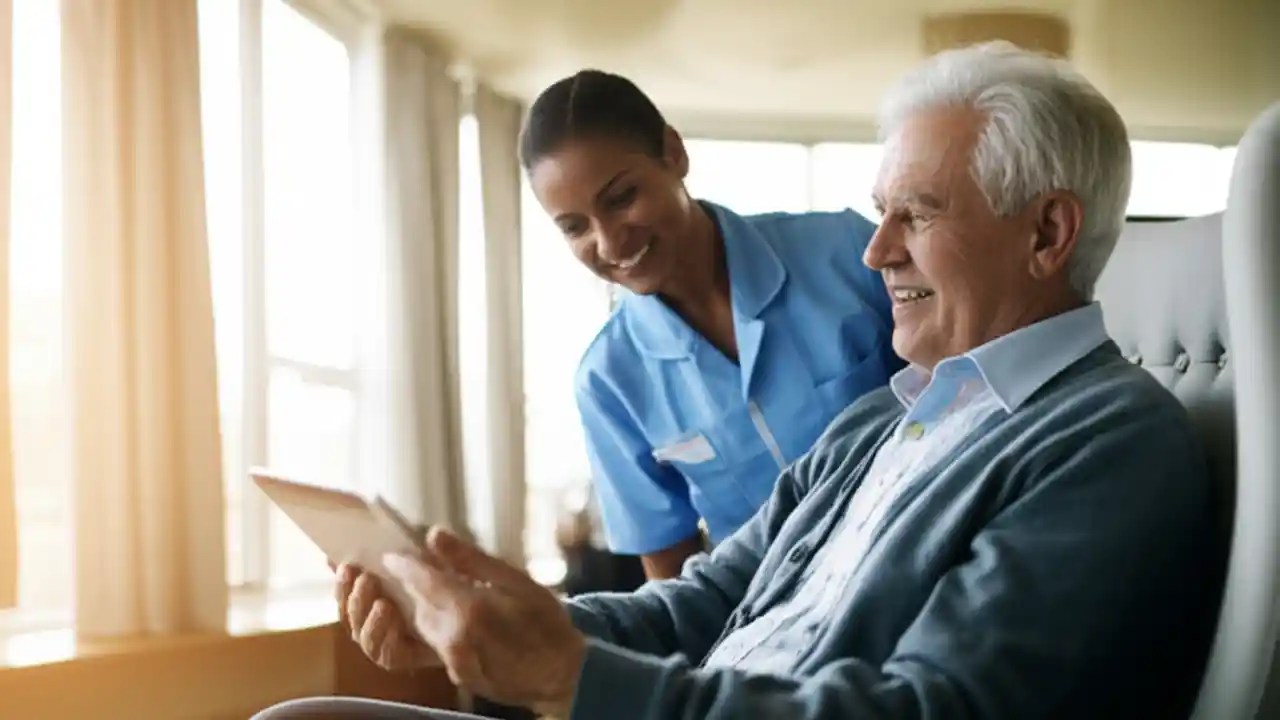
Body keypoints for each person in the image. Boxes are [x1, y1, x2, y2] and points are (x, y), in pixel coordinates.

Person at [254, 42, 1224, 720]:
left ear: (1046, 233)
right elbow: (700, 597)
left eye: (913, 216)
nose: (875, 249)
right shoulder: (875, 426)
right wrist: (506, 627)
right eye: (878, 213)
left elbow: (937, 707)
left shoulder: (1106, 444)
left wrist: (576, 681)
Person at [525, 70, 903, 578]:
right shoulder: (608, 381)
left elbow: (969, 403)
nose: (610, 244)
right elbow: (670, 574)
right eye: (575, 227)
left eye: (621, 199)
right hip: (778, 631)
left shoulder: (848, 252)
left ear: (674, 154)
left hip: (921, 573)